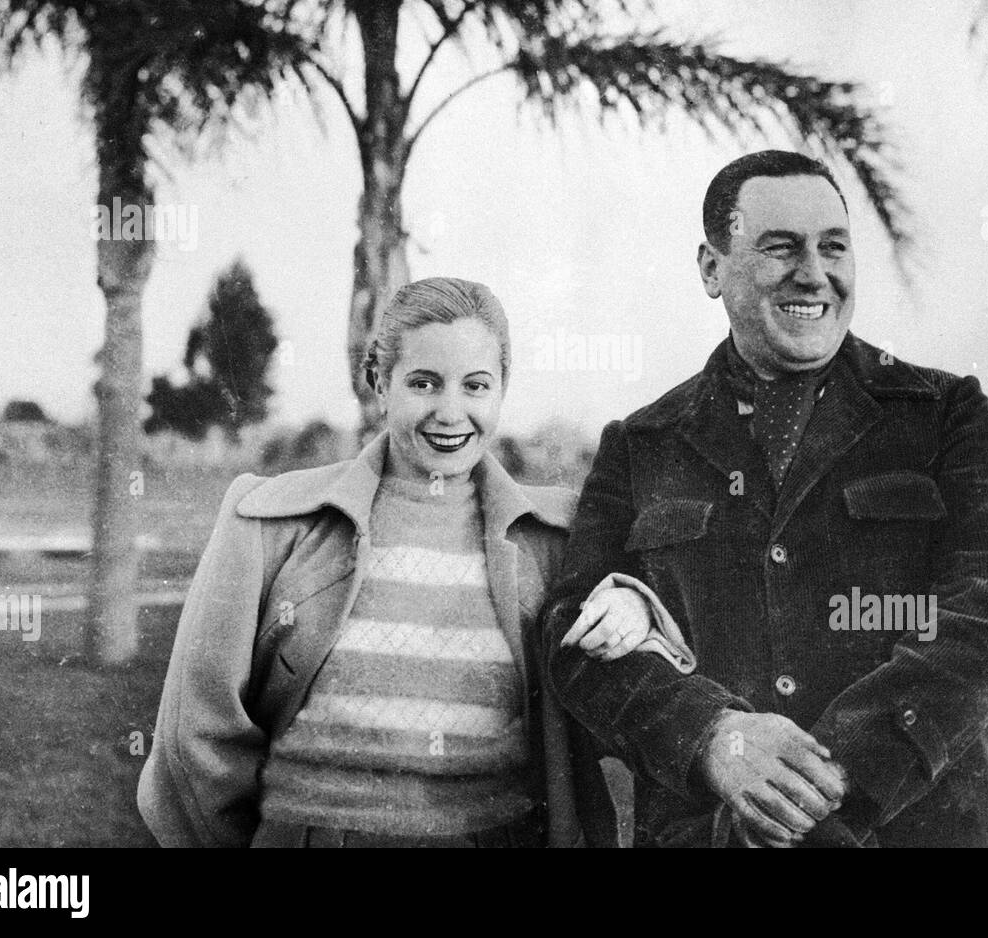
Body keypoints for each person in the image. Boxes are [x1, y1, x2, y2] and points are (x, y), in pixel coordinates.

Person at [542, 150, 988, 848]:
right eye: (780, 248)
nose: (814, 272)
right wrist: (713, 739)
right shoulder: (643, 443)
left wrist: (824, 785)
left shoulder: (943, 415)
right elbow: (573, 637)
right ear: (712, 269)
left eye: (833, 247)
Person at [137, 276, 690, 847]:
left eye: (476, 386)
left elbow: (645, 680)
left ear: (502, 389)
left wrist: (636, 605)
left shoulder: (559, 538)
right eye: (424, 383)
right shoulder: (269, 522)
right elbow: (194, 743)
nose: (450, 412)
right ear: (380, 383)